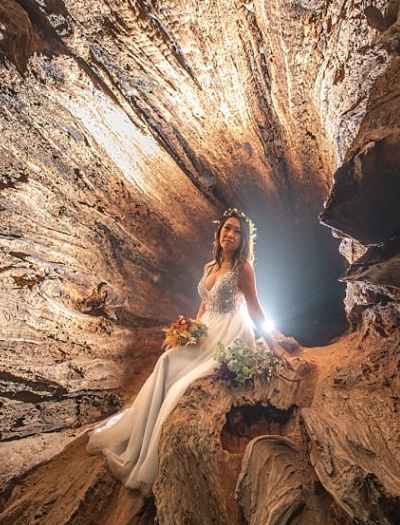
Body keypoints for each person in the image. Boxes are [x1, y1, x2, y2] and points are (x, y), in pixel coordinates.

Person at [86, 207, 297, 494]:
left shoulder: (242, 269)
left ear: (244, 239)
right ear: (219, 232)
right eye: (228, 229)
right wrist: (191, 332)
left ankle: (148, 458)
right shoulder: (209, 268)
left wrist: (276, 349)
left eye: (238, 231)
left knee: (180, 386)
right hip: (208, 329)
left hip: (231, 334)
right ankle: (135, 438)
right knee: (167, 361)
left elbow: (257, 310)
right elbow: (204, 306)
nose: (231, 234)